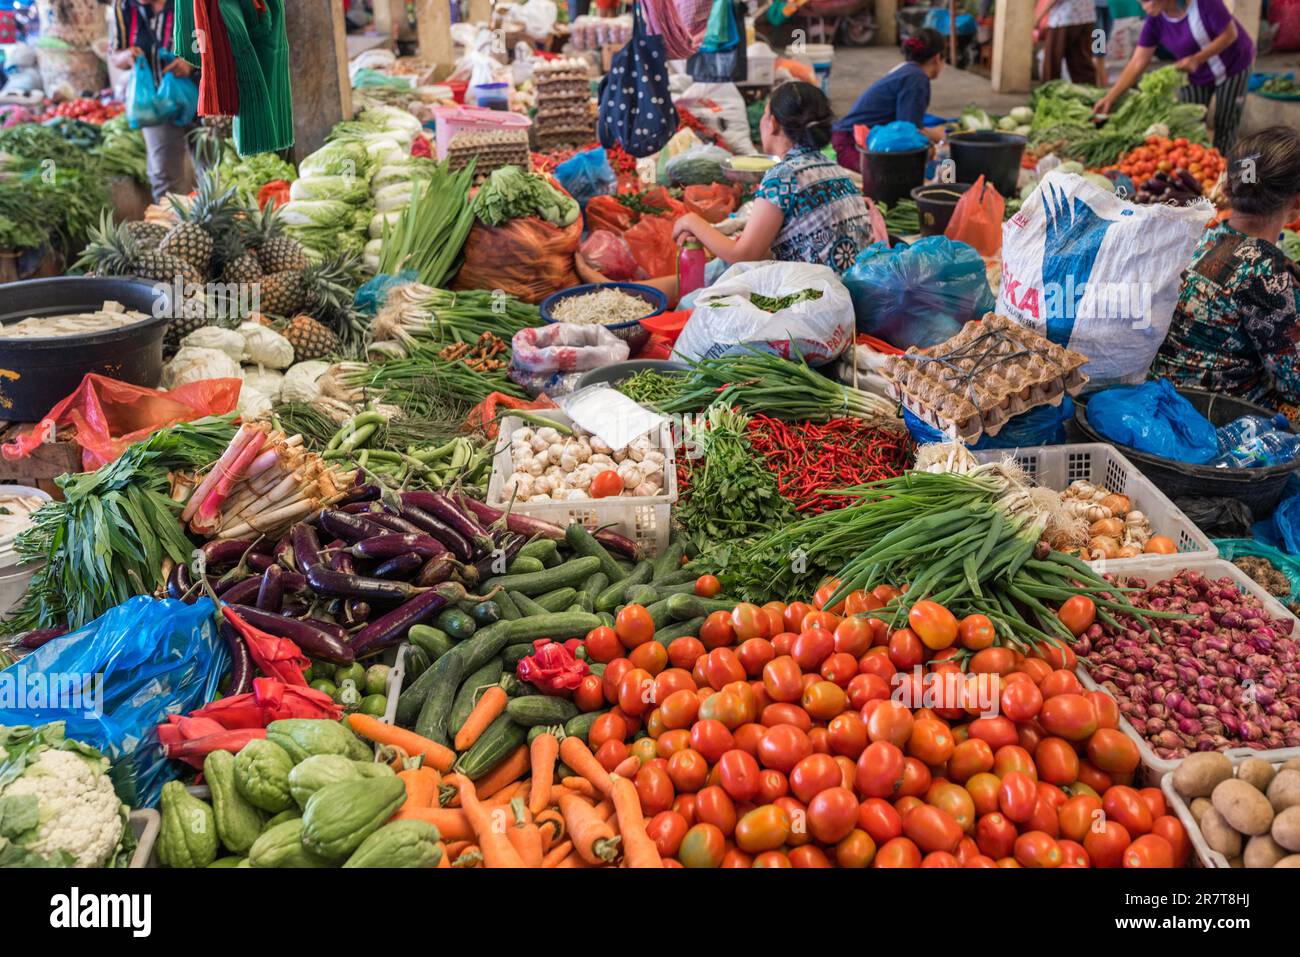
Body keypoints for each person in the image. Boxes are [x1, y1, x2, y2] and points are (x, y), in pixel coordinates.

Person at [577, 82, 877, 300]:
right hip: (847, 294)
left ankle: (622, 294)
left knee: (722, 271)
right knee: (728, 263)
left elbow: (742, 254)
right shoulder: (836, 171)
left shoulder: (783, 177)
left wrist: (694, 222)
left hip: (813, 301)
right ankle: (626, 292)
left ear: (771, 123)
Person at [1150, 126, 1300, 419]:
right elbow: (1295, 384)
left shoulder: (1205, 237)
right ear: (1295, 203)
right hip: (1214, 417)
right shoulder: (1268, 273)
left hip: (1163, 398)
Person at [1094, 0, 1254, 151]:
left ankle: (1225, 171)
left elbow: (1230, 34)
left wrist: (1197, 59)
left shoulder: (1204, 3)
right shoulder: (1155, 20)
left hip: (1233, 64)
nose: (1144, 7)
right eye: (1141, 2)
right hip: (1195, 73)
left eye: (1147, 1)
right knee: (1189, 126)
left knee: (1225, 124)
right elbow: (1138, 61)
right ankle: (1199, 171)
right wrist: (1110, 97)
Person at [109, 0, 196, 202]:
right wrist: (127, 56)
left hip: (204, 99)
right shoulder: (124, 6)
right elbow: (115, 55)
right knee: (164, 178)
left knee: (213, 168)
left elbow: (218, 41)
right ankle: (173, 229)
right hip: (156, 106)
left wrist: (192, 61)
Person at [830, 28, 947, 171]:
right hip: (852, 145)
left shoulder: (907, 71)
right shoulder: (916, 78)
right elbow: (908, 131)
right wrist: (942, 137)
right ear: (937, 57)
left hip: (846, 138)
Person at [1039, 0, 1101, 83]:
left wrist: (1039, 17)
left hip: (1064, 17)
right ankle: (1089, 91)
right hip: (1087, 15)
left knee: (1052, 62)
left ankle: (1048, 92)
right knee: (1081, 61)